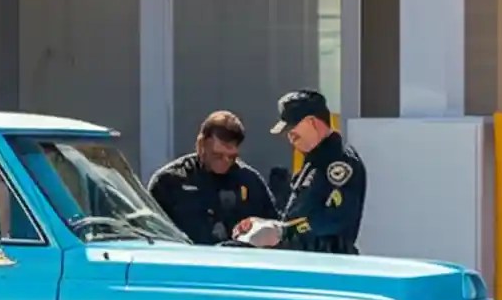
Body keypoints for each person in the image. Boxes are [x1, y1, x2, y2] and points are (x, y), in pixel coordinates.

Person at [234, 90, 366, 254]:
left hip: (327, 260)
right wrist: (266, 224)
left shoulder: (340, 163)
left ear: (312, 122)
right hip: (302, 258)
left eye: (293, 131)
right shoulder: (313, 162)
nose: (290, 137)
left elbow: (335, 219)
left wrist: (283, 231)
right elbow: (298, 214)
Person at [147, 110, 278, 245]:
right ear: (201, 145)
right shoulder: (170, 181)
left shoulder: (250, 182)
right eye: (217, 155)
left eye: (232, 157)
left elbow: (274, 230)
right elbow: (150, 232)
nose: (225, 161)